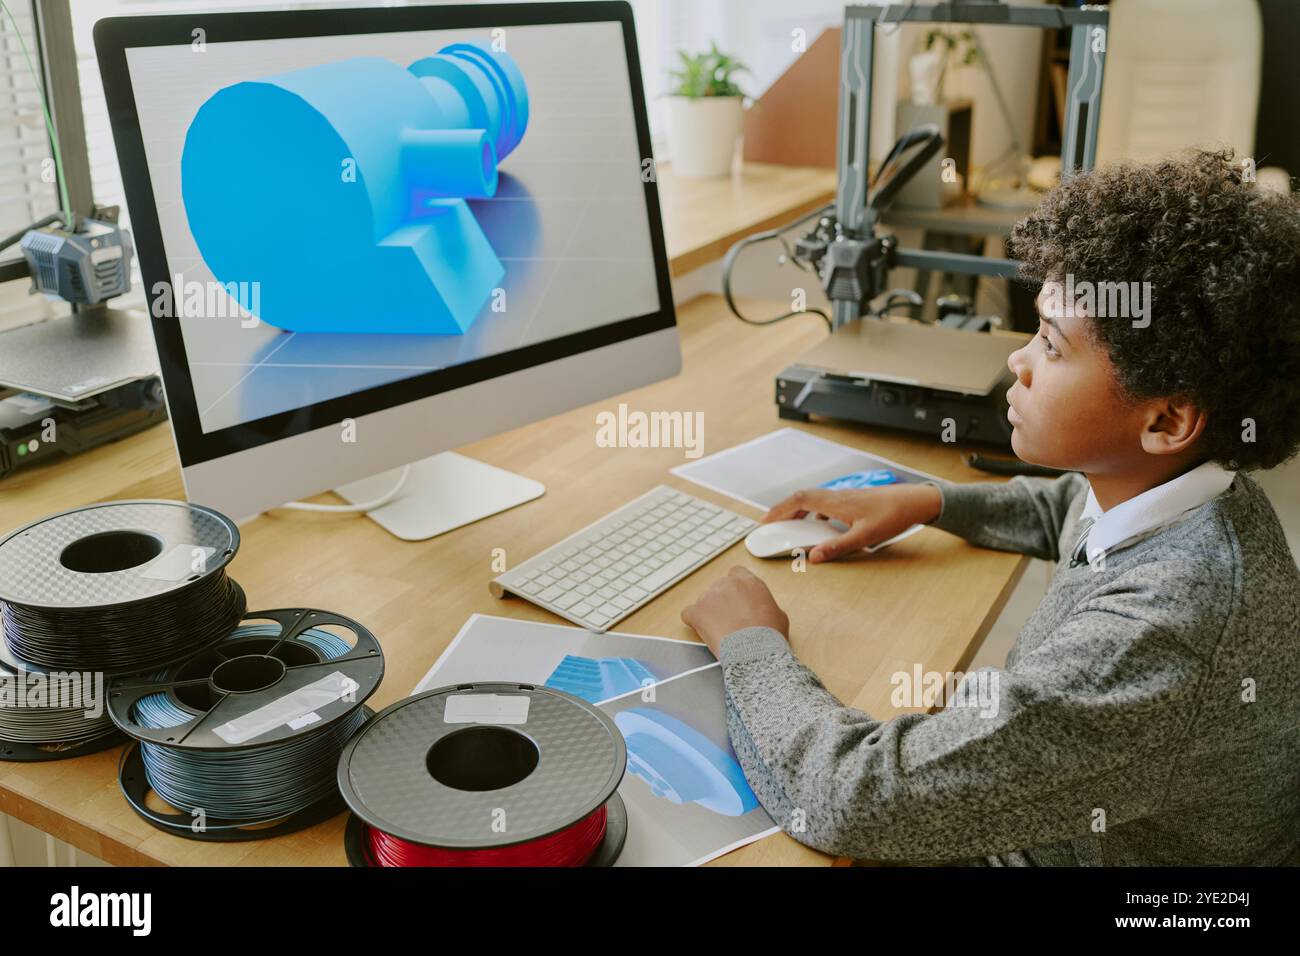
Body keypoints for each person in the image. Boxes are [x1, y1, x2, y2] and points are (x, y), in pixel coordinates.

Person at [681, 149, 1300, 865]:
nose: (1018, 360)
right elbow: (1071, 508)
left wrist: (750, 643)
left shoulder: (1157, 635)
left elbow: (850, 800)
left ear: (1165, 422)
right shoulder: (1189, 492)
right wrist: (931, 502)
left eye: (1051, 345)